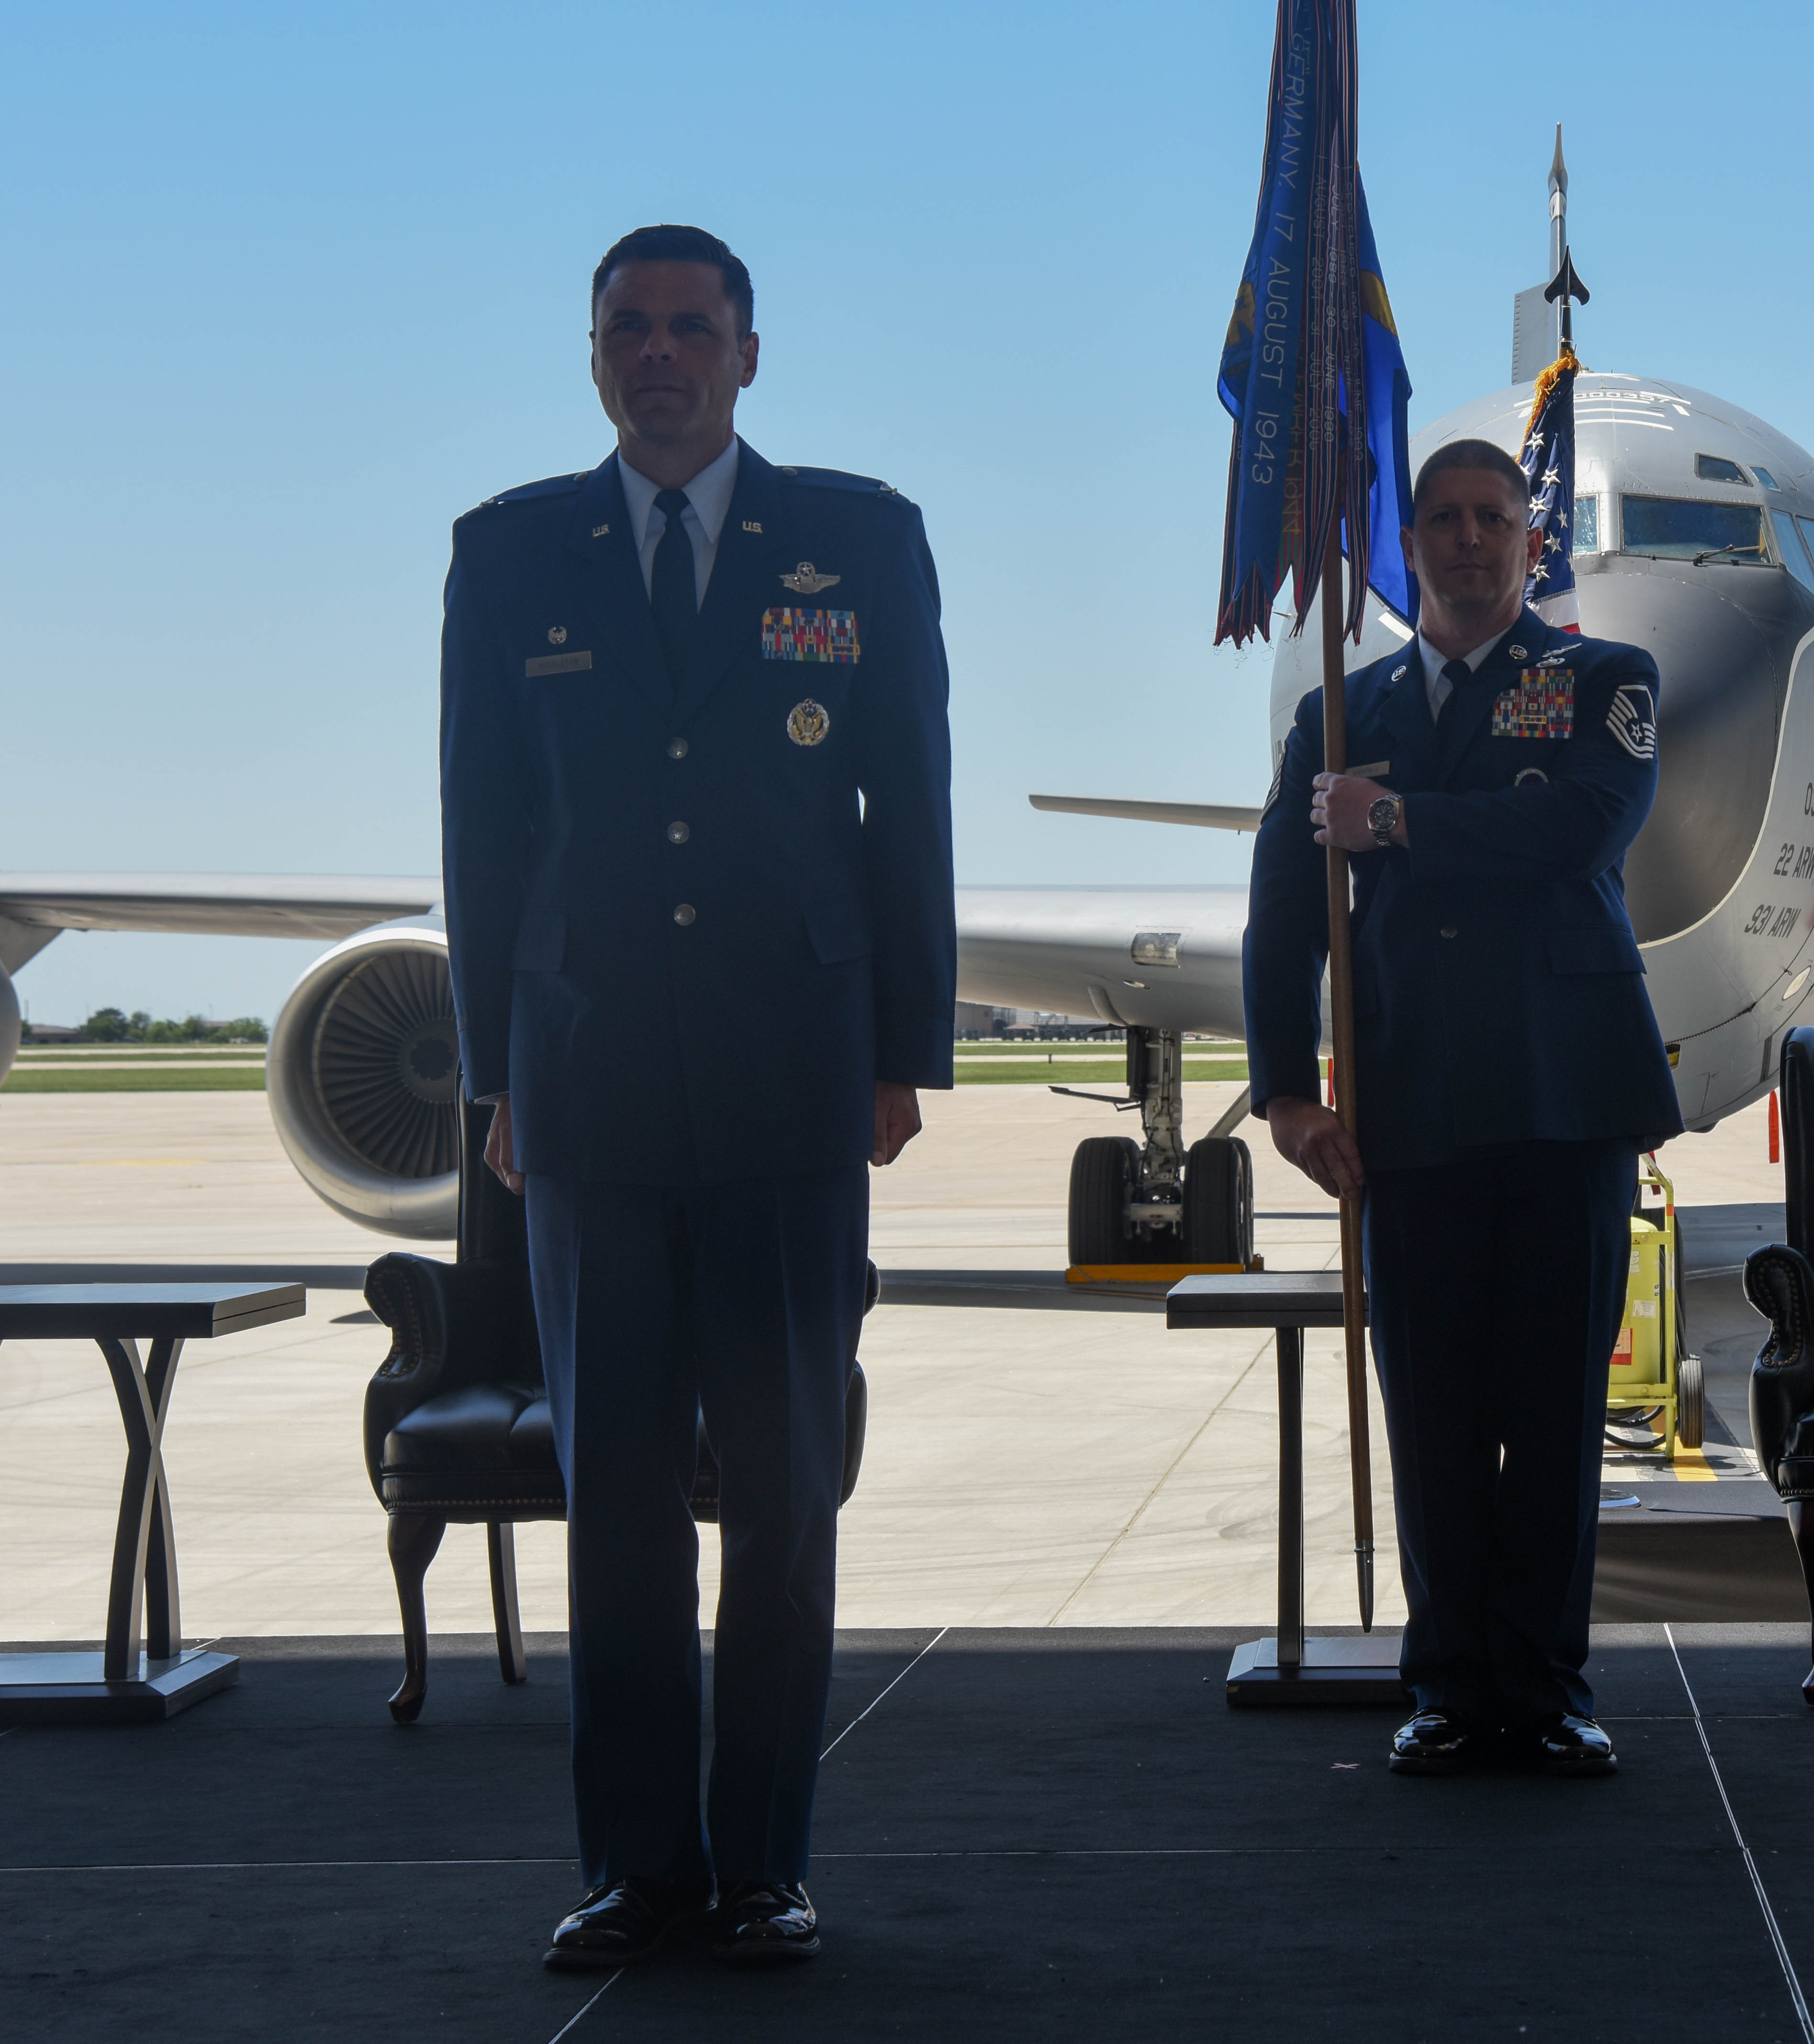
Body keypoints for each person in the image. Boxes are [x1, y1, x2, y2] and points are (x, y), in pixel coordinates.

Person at [440, 223, 955, 1969]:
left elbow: (910, 802)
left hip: (792, 1080)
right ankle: (640, 1870)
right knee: (622, 1509)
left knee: (787, 1499)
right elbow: (483, 834)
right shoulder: (511, 554)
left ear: (747, 352)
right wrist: (495, 1072)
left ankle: (762, 1870)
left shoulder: (859, 540)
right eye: (627, 331)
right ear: (594, 357)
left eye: (688, 327)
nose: (657, 354)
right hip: (585, 1082)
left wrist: (903, 1049)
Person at [1243, 439, 1683, 1777]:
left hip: (1565, 1101)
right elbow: (1281, 915)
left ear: (1531, 543)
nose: (1471, 539)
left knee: (1551, 1417)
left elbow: (1583, 830)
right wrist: (1284, 1094)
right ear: (1410, 543)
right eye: (1445, 518)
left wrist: (1397, 824)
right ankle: (1444, 1688)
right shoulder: (1339, 714)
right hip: (1409, 1105)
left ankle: (1545, 1693)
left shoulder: (1606, 681)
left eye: (1495, 517)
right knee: (1431, 1414)